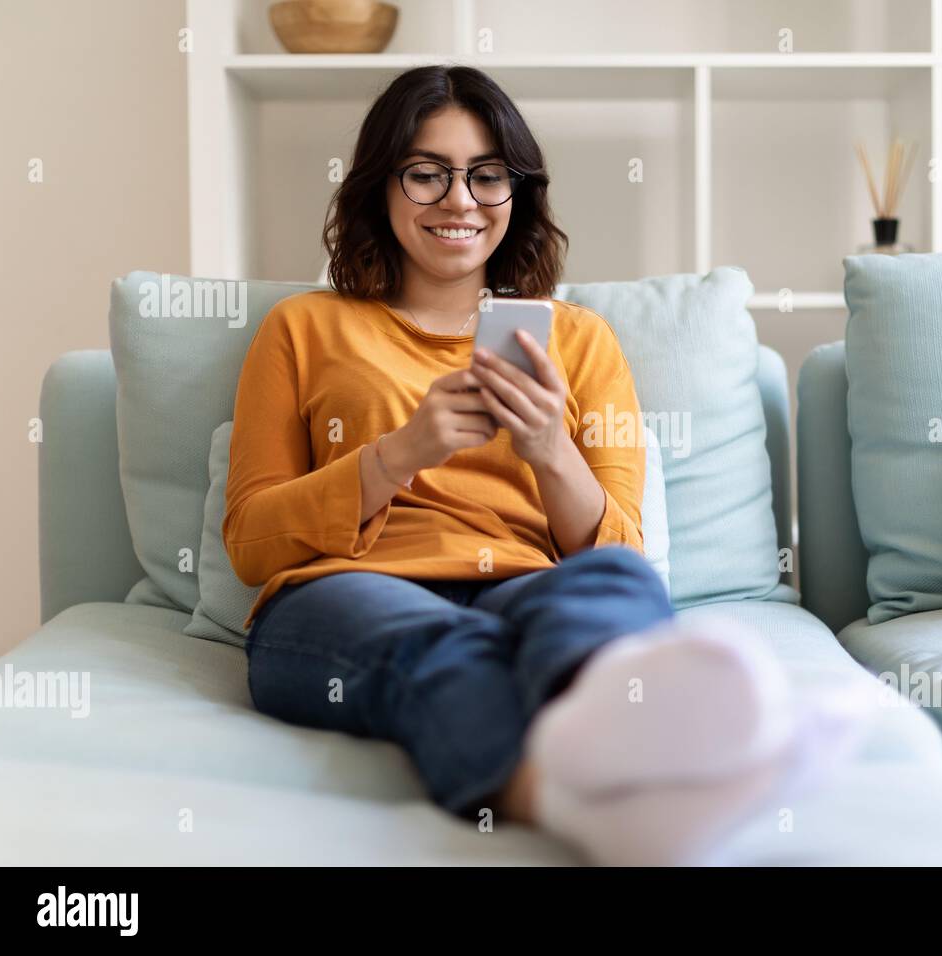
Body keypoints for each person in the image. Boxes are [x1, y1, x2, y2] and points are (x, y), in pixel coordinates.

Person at [223, 65, 862, 866]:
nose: (459, 200)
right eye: (426, 173)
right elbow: (250, 542)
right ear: (380, 188)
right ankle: (576, 803)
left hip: (528, 585)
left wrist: (550, 449)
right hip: (352, 593)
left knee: (620, 591)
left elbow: (617, 551)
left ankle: (681, 753)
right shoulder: (303, 328)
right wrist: (396, 455)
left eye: (487, 176)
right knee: (435, 645)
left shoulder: (579, 339)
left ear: (516, 193)